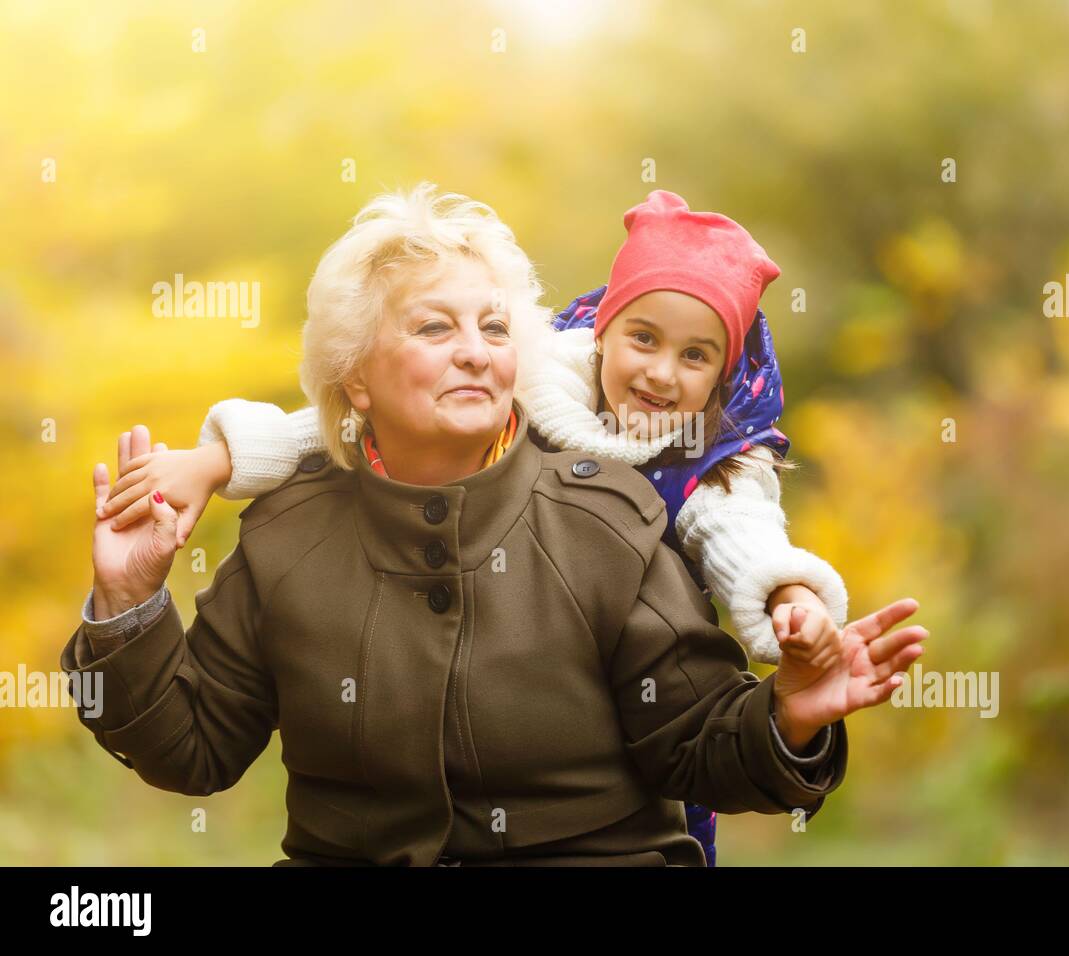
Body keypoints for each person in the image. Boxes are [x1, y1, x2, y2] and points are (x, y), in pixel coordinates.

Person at [63, 184, 928, 866]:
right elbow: (195, 750)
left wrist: (788, 714)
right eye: (435, 327)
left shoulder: (607, 518)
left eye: (493, 327)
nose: (475, 350)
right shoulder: (288, 534)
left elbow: (695, 749)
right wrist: (129, 602)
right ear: (354, 376)